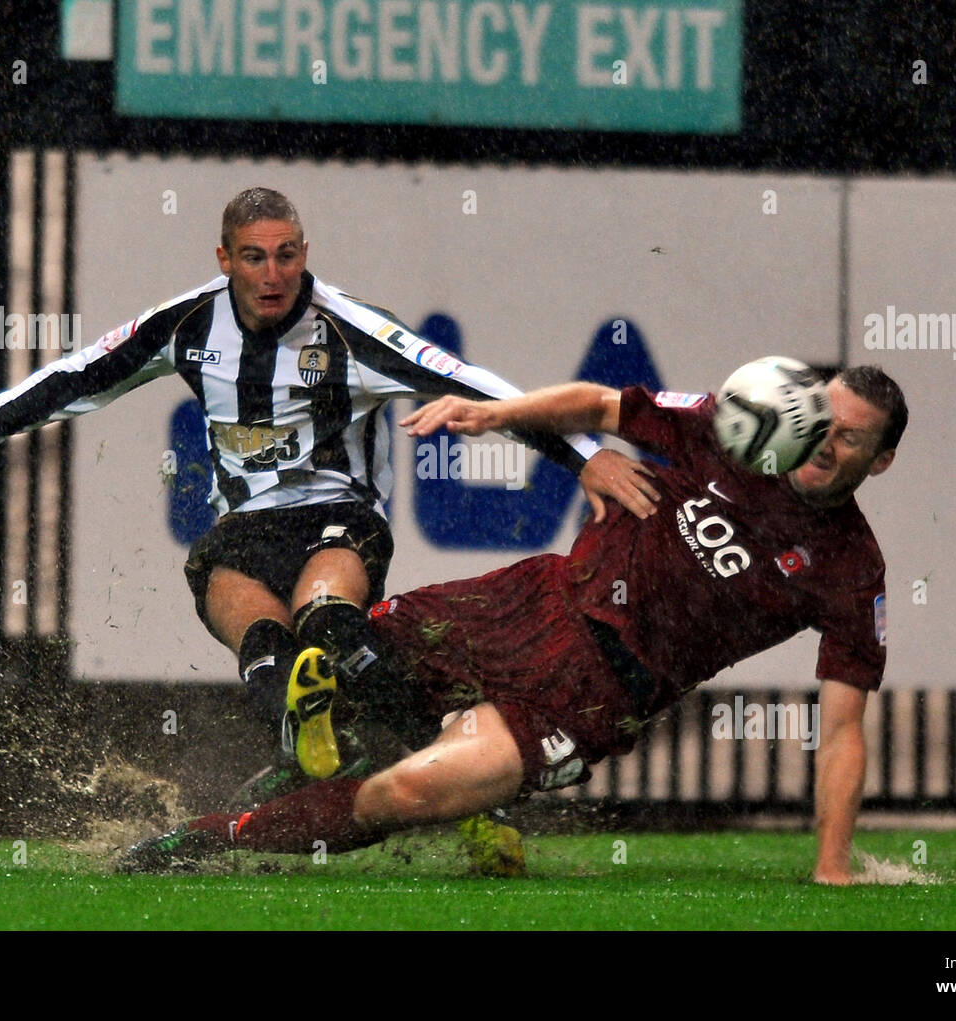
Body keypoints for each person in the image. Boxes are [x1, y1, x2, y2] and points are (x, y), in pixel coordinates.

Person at [0, 187, 652, 783]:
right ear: (223, 258)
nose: (274, 273)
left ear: (305, 252)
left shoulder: (349, 330)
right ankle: (324, 763)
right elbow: (77, 376)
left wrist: (582, 455)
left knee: (329, 628)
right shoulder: (186, 324)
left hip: (337, 514)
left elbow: (470, 381)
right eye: (255, 256)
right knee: (266, 650)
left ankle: (470, 758)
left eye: (287, 254)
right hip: (240, 531)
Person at [119, 366, 907, 885]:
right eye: (821, 420)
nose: (821, 441)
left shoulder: (850, 570)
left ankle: (220, 836)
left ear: (880, 461)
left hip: (594, 695)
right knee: (344, 657)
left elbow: (842, 728)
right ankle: (333, 765)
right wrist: (495, 414)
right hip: (532, 599)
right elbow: (601, 404)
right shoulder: (733, 425)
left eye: (849, 437)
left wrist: (832, 865)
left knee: (410, 787)